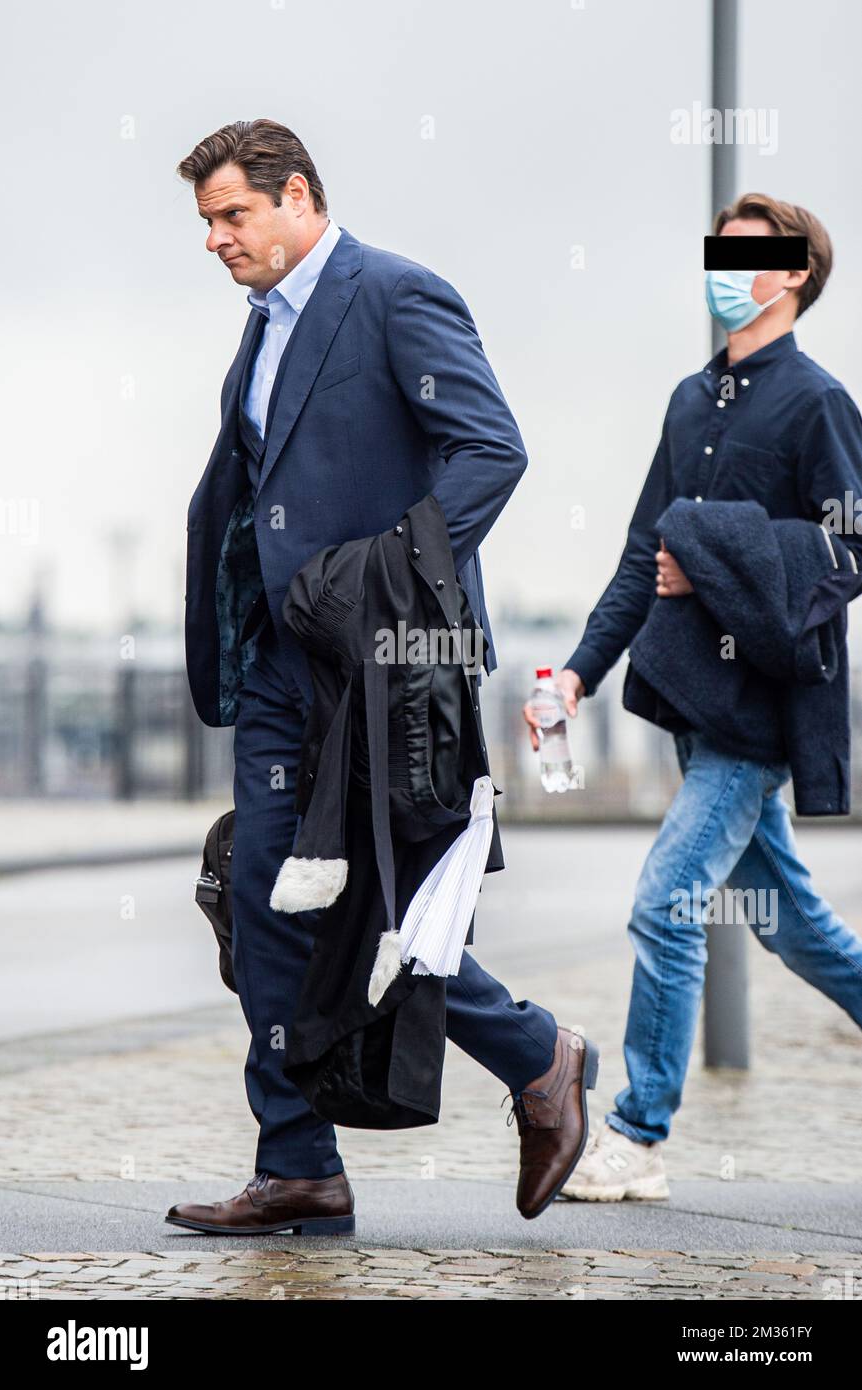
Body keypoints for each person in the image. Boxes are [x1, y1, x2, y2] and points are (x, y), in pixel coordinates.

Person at [169, 119, 599, 1234]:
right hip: (280, 659)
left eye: (231, 215)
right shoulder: (261, 326)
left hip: (391, 667)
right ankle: (298, 1161)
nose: (214, 239)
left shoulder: (395, 294)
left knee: (393, 914)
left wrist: (381, 576)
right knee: (260, 900)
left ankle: (537, 1053)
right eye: (206, 221)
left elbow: (491, 448)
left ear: (297, 196)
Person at [524, 192, 862, 1202]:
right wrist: (576, 674)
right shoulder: (687, 400)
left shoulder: (816, 403)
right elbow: (643, 551)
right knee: (793, 926)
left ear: (794, 272)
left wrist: (720, 559)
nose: (720, 268)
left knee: (665, 904)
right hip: (687, 702)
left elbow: (847, 547)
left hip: (756, 722)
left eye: (743, 254)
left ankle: (635, 1131)